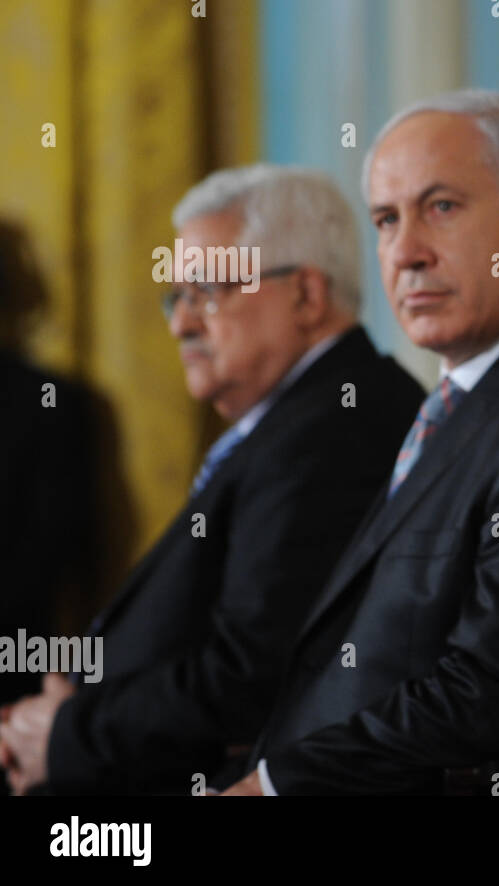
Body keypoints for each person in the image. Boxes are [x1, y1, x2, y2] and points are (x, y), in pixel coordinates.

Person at [220, 91, 499, 795]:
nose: (405, 252)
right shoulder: (466, 395)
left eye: (440, 207)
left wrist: (278, 784)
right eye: (385, 219)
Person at [0, 165, 424, 794]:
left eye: (207, 293)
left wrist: (71, 730)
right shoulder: (299, 418)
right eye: (177, 298)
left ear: (306, 295)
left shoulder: (340, 426)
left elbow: (254, 673)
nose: (181, 325)